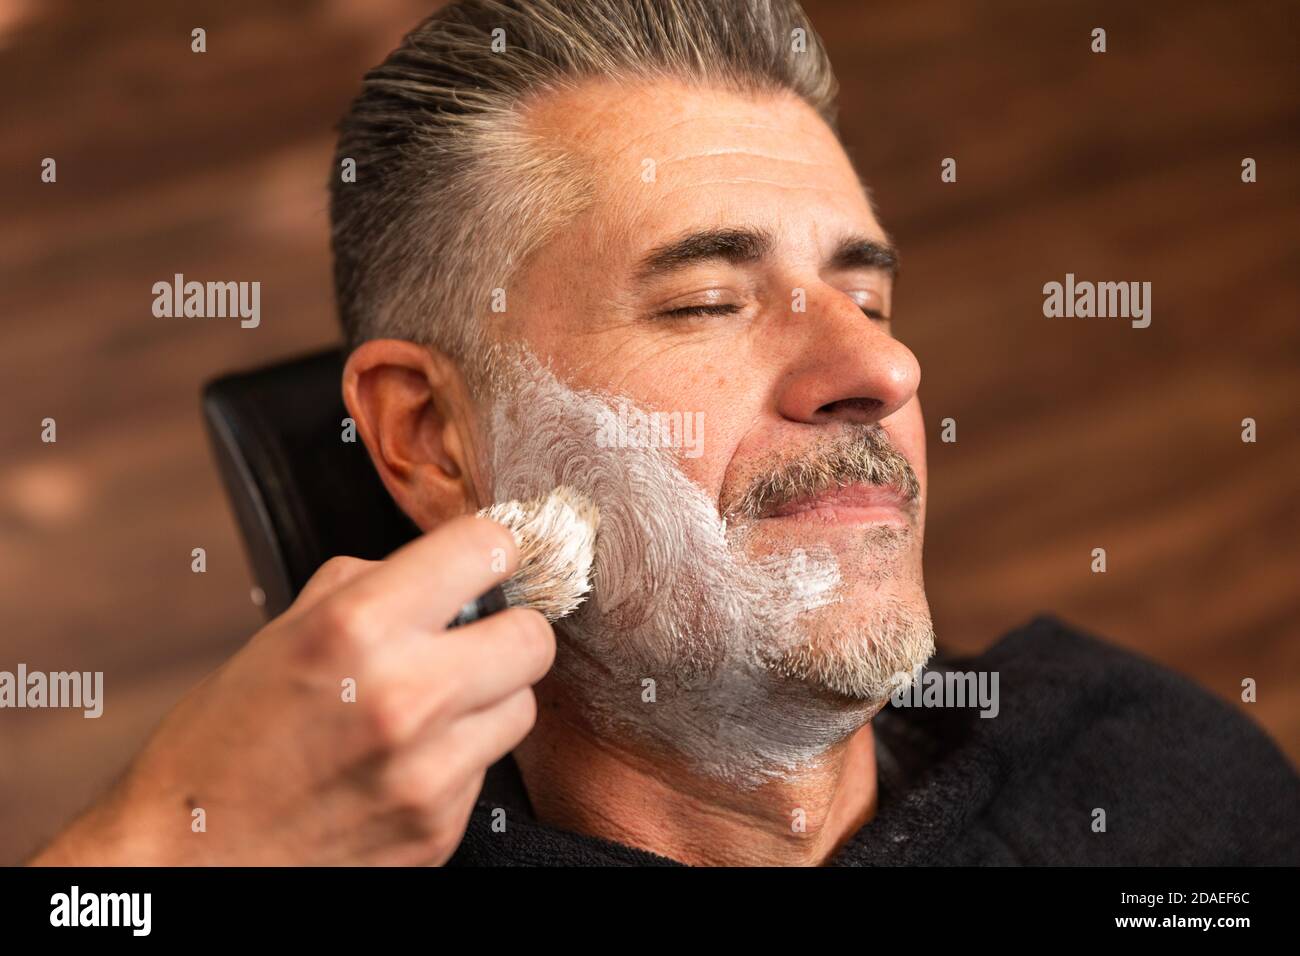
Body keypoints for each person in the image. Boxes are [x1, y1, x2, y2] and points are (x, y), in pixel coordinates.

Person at [30, 0, 1298, 867]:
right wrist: (166, 842)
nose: (880, 365)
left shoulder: (1159, 786)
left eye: (867, 295)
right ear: (427, 435)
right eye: (704, 301)